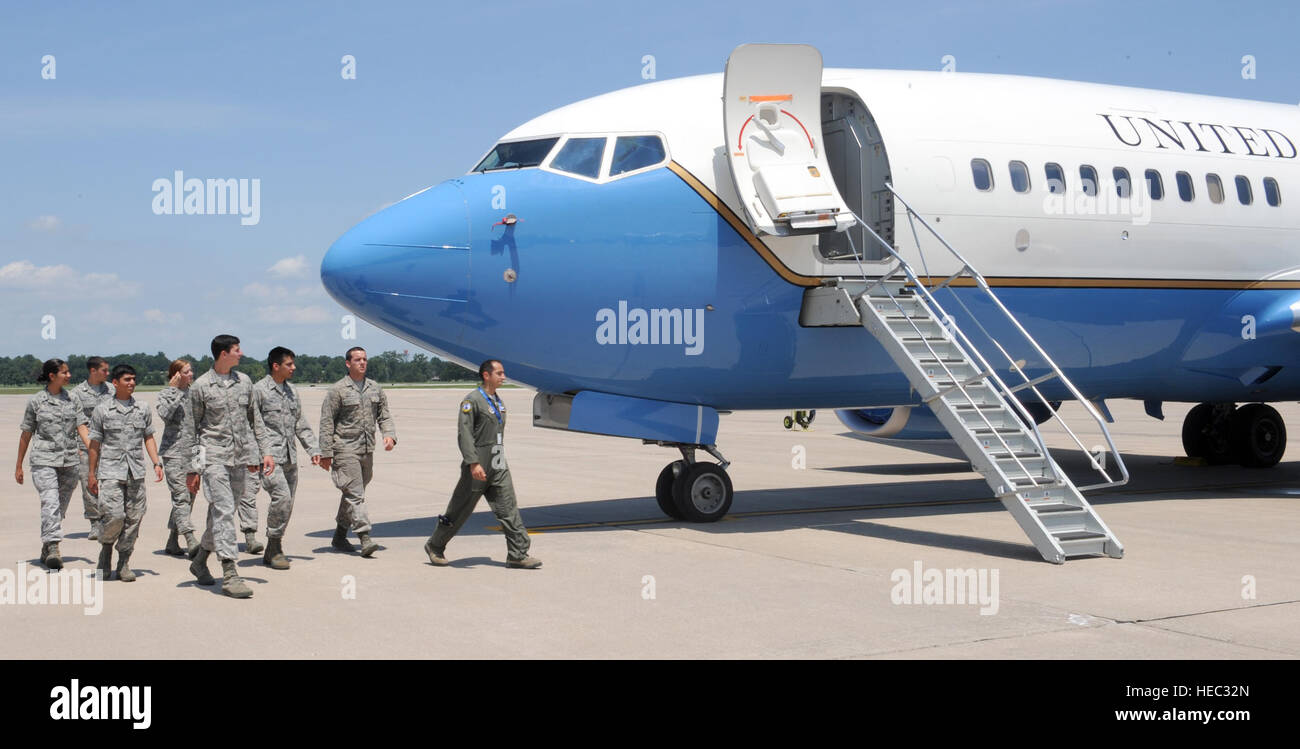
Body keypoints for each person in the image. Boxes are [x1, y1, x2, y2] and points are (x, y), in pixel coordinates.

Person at [424, 359, 540, 569]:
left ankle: (517, 553)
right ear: (486, 375)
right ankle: (435, 545)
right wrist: (473, 462)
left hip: (498, 461)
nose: (503, 377)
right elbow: (465, 434)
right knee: (460, 510)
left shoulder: (498, 401)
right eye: (500, 373)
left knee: (509, 508)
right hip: (478, 462)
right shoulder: (472, 400)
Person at [186, 334, 272, 599]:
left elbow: (255, 419)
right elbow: (192, 430)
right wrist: (194, 469)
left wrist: (264, 452)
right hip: (213, 458)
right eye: (237, 349)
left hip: (240, 457)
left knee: (223, 513)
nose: (241, 353)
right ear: (224, 354)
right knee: (223, 511)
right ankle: (230, 572)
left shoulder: (244, 382)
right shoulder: (200, 386)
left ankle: (200, 559)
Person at [87, 364, 163, 582]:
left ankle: (124, 562)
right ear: (115, 383)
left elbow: (148, 437)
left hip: (136, 471)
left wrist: (157, 463)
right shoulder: (102, 410)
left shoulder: (142, 408)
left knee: (134, 518)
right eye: (127, 379)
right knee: (114, 516)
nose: (132, 383)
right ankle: (106, 550)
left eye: (133, 379)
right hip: (110, 471)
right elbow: (94, 444)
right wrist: (92, 474)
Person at [318, 347, 395, 558]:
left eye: (365, 359)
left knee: (353, 493)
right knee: (355, 494)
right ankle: (364, 536)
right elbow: (327, 422)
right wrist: (325, 453)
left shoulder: (375, 388)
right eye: (358, 360)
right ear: (348, 363)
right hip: (344, 449)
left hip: (367, 449)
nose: (362, 363)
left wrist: (389, 435)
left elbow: (384, 415)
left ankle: (340, 535)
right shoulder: (338, 390)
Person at [15, 359, 89, 570]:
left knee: (59, 507)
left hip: (70, 462)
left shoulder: (73, 399)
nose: (69, 376)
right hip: (43, 460)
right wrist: (18, 465)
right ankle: (55, 547)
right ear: (52, 376)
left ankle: (47, 545)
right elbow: (26, 433)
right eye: (64, 373)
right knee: (50, 502)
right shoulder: (36, 401)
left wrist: (94, 451)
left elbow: (82, 427)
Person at [249, 346, 320, 569]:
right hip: (269, 458)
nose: (293, 368)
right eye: (289, 364)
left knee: (288, 504)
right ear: (276, 366)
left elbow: (300, 422)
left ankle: (274, 545)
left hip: (289, 456)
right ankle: (274, 546)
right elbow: (250, 426)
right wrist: (255, 456)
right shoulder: (258, 390)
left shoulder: (291, 391)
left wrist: (313, 449)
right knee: (282, 498)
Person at [156, 359, 199, 557]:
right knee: (181, 496)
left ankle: (173, 540)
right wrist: (175, 392)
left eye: (191, 371)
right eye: (187, 371)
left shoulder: (196, 393)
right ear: (176, 374)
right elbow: (165, 415)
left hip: (196, 452)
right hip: (173, 452)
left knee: (190, 497)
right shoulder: (166, 394)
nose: (191, 374)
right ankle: (190, 539)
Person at [70, 356, 111, 539]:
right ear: (93, 371)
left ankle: (109, 520)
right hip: (86, 446)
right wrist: (83, 447)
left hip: (110, 445)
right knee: (90, 485)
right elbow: (75, 423)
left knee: (111, 484)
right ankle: (95, 522)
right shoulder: (76, 393)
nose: (107, 373)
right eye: (104, 370)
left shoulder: (112, 390)